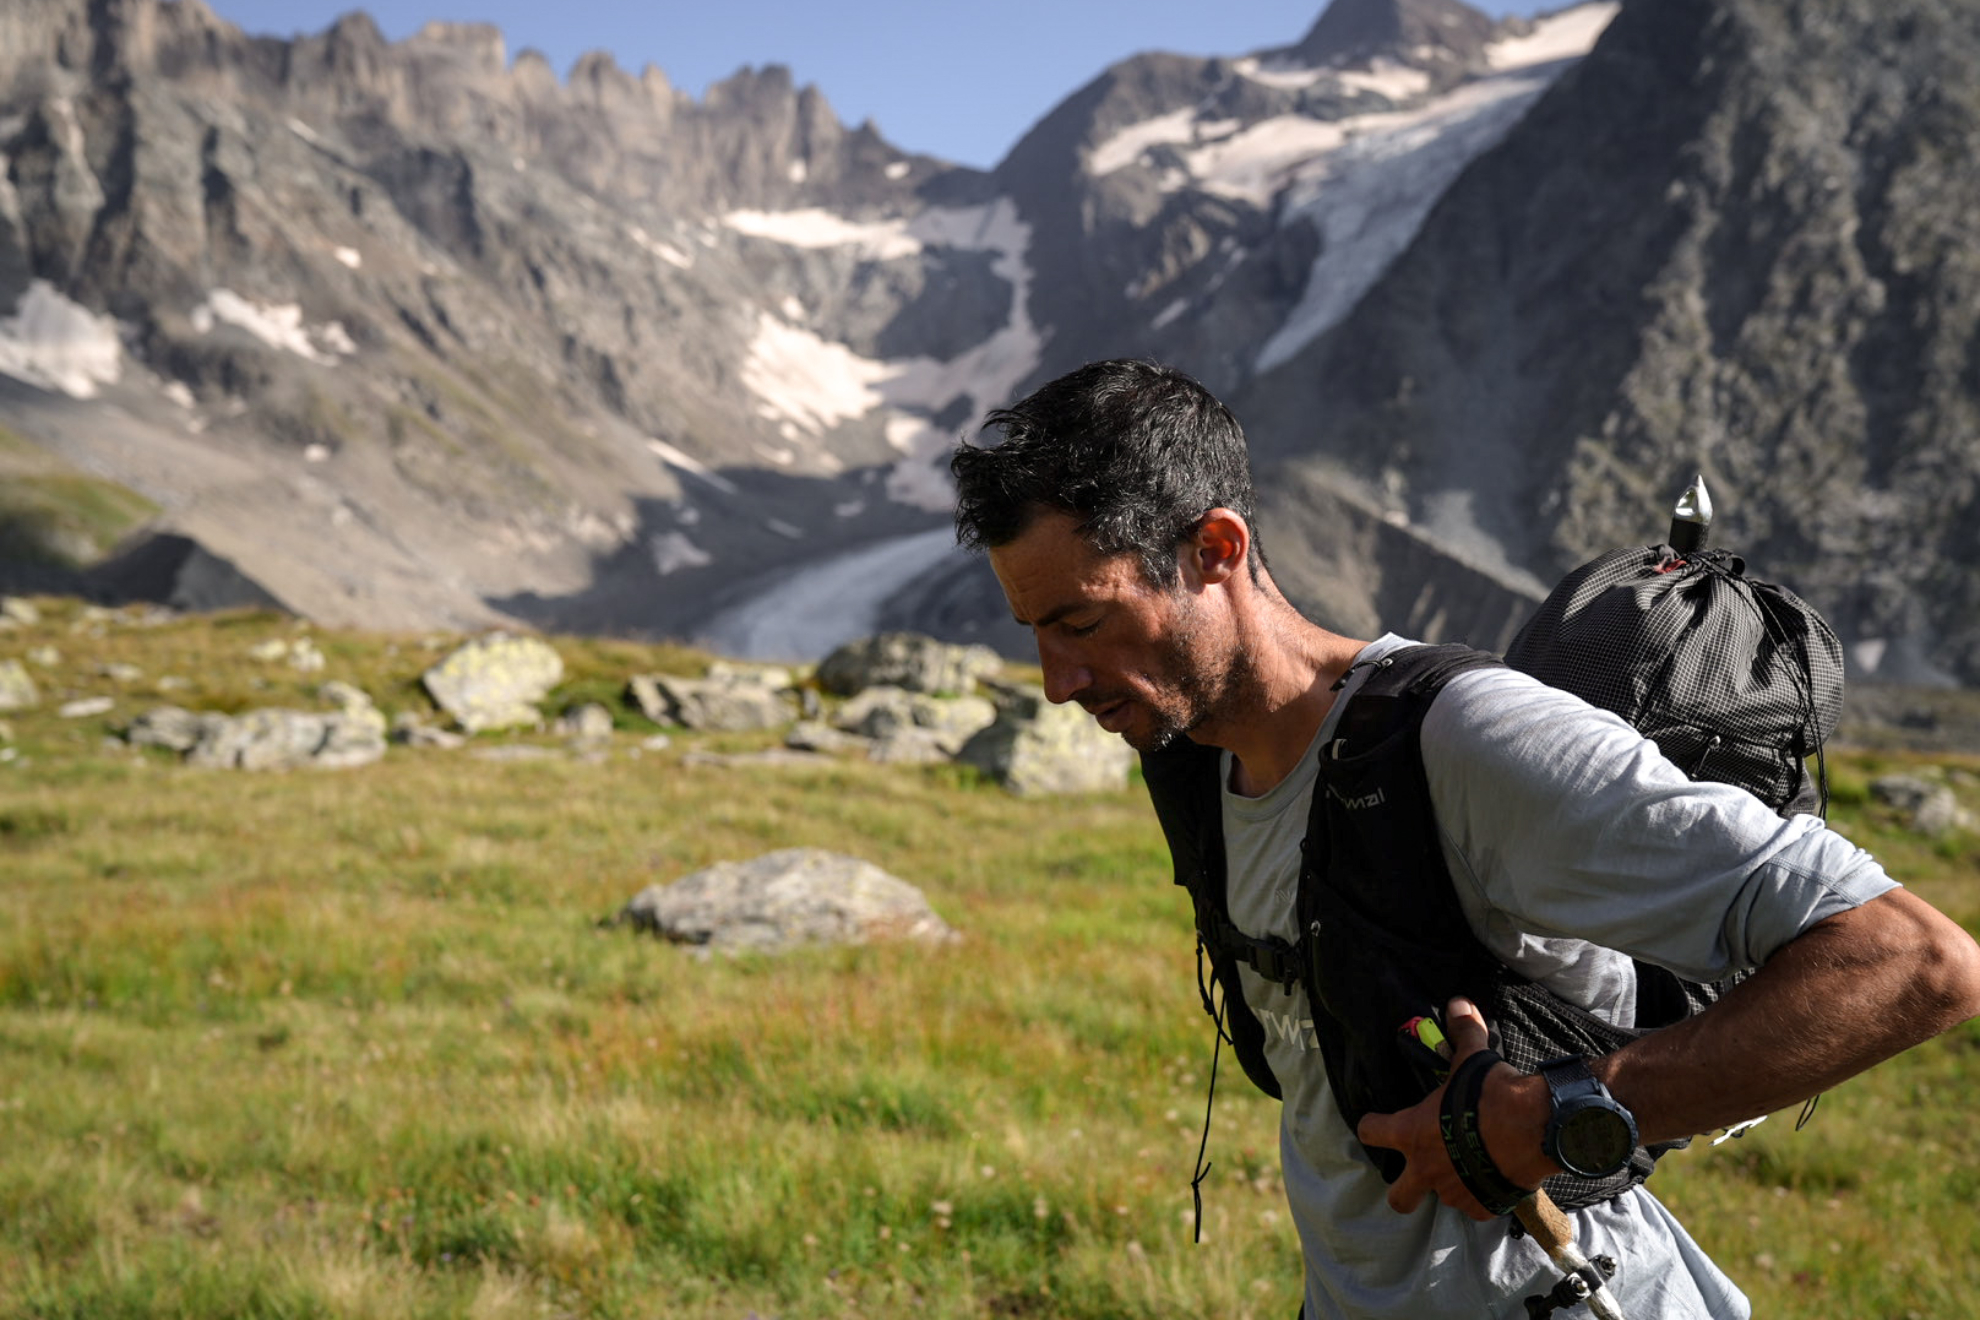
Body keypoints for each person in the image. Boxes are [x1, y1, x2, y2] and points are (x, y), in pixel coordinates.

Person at [948, 358, 1980, 1319]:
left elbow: (1917, 961)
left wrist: (1571, 1112)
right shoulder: (1190, 750)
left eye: (1082, 626)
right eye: (1033, 632)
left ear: (1215, 550)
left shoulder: (1465, 738)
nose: (1056, 683)